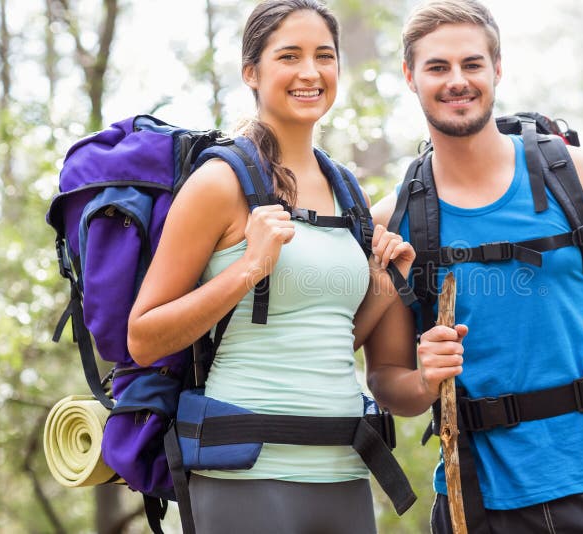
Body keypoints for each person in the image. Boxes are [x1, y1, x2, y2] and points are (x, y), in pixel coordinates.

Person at [365, 0, 583, 532]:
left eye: (472, 64)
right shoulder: (396, 220)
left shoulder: (576, 177)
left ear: (497, 68)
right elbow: (385, 380)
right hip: (480, 504)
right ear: (409, 76)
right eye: (437, 67)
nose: (457, 81)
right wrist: (425, 381)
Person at [126, 1, 415, 533]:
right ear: (252, 72)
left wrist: (386, 282)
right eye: (290, 56)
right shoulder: (220, 184)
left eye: (324, 56)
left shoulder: (347, 190)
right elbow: (144, 338)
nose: (311, 72)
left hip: (345, 471)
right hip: (246, 474)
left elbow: (325, 337)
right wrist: (249, 268)